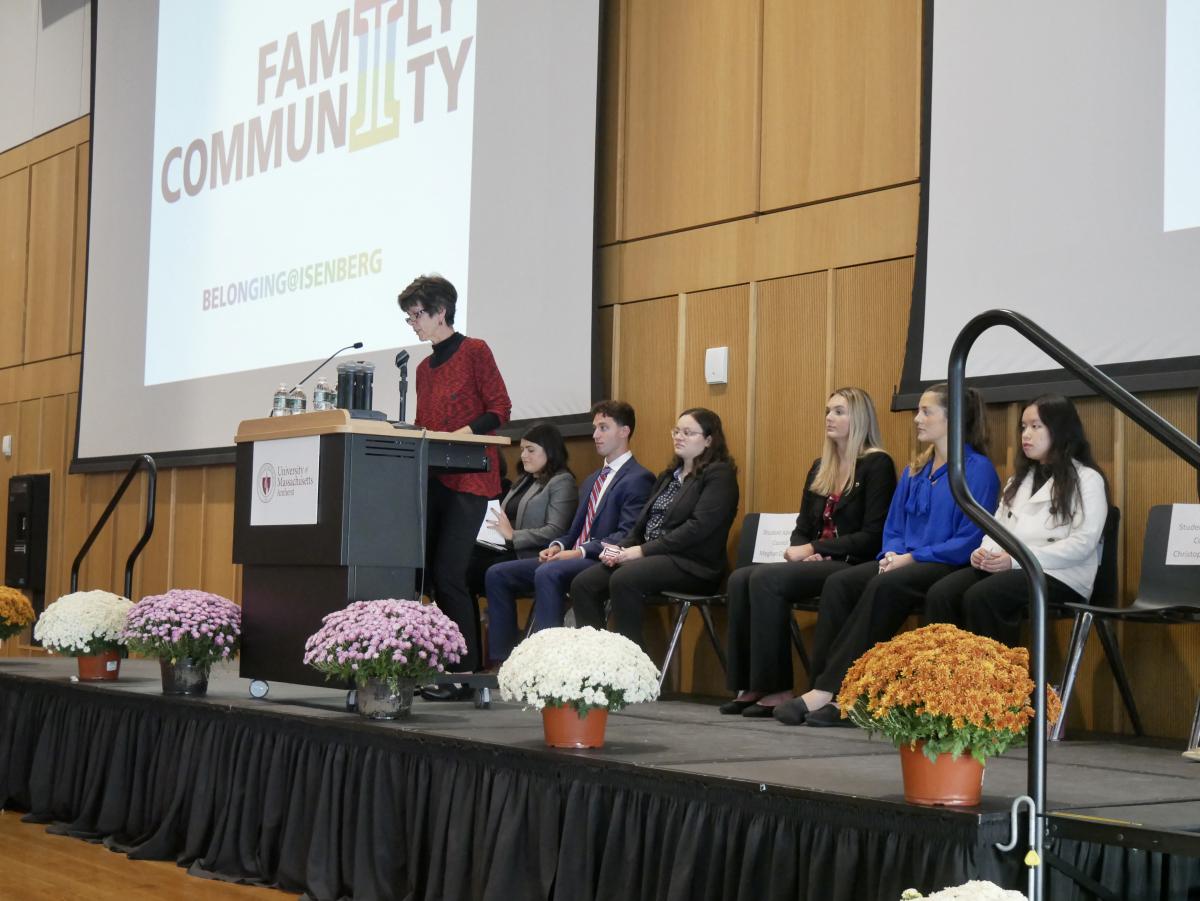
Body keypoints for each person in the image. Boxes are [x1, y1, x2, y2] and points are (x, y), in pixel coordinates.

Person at [774, 383, 1000, 727]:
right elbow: (893, 526)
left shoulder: (977, 469)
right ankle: (825, 689)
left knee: (885, 587)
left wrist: (910, 558)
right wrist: (892, 553)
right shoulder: (916, 469)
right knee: (841, 584)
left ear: (952, 418)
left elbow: (969, 538)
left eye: (926, 412)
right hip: (903, 559)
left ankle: (839, 693)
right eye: (918, 411)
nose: (917, 419)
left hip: (943, 563)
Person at [721, 388, 896, 717]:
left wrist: (815, 548)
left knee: (765, 579)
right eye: (828, 411)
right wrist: (801, 549)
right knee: (740, 578)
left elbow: (872, 536)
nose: (829, 417)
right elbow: (803, 526)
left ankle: (777, 688)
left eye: (839, 411)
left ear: (859, 418)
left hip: (851, 562)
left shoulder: (877, 464)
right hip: (816, 561)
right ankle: (752, 684)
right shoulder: (821, 466)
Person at [397, 275, 511, 700]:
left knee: (450, 574)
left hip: (471, 478)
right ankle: (440, 665)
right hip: (433, 478)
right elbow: (425, 422)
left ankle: (464, 674)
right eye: (409, 317)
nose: (413, 323)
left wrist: (464, 433)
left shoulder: (475, 350)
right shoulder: (423, 369)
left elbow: (500, 408)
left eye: (417, 315)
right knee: (427, 575)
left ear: (441, 312)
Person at [923, 394, 1108, 646]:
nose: (1026, 435)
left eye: (1035, 426)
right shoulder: (1018, 480)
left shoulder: (1088, 479)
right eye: (1023, 427)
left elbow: (1082, 544)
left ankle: (996, 671)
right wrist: (984, 553)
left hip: (1061, 574)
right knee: (941, 593)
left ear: (1060, 429)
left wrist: (1014, 561)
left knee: (984, 596)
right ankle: (944, 668)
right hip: (1013, 566)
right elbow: (996, 528)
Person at [483, 401, 655, 665]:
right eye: (595, 428)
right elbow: (573, 530)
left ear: (624, 431)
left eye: (603, 428)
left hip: (601, 559)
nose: (595, 435)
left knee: (548, 572)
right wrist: (557, 546)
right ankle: (504, 662)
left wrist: (579, 552)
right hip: (572, 555)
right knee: (497, 574)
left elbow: (626, 535)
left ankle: (548, 662)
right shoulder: (593, 478)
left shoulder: (638, 478)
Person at [569, 407, 740, 649]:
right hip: (653, 557)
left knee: (624, 578)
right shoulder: (669, 475)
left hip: (693, 564)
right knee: (583, 583)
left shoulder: (719, 475)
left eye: (688, 433)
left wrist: (641, 551)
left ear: (709, 440)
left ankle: (631, 663)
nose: (679, 437)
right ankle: (596, 658)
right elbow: (641, 526)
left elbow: (698, 528)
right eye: (676, 431)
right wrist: (620, 549)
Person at [466, 423, 577, 600]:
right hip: (503, 547)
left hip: (532, 554)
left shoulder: (562, 481)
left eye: (530, 450)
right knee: (459, 563)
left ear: (550, 451)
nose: (524, 455)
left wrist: (513, 535)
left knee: (471, 571)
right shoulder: (525, 479)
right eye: (522, 450)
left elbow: (556, 531)